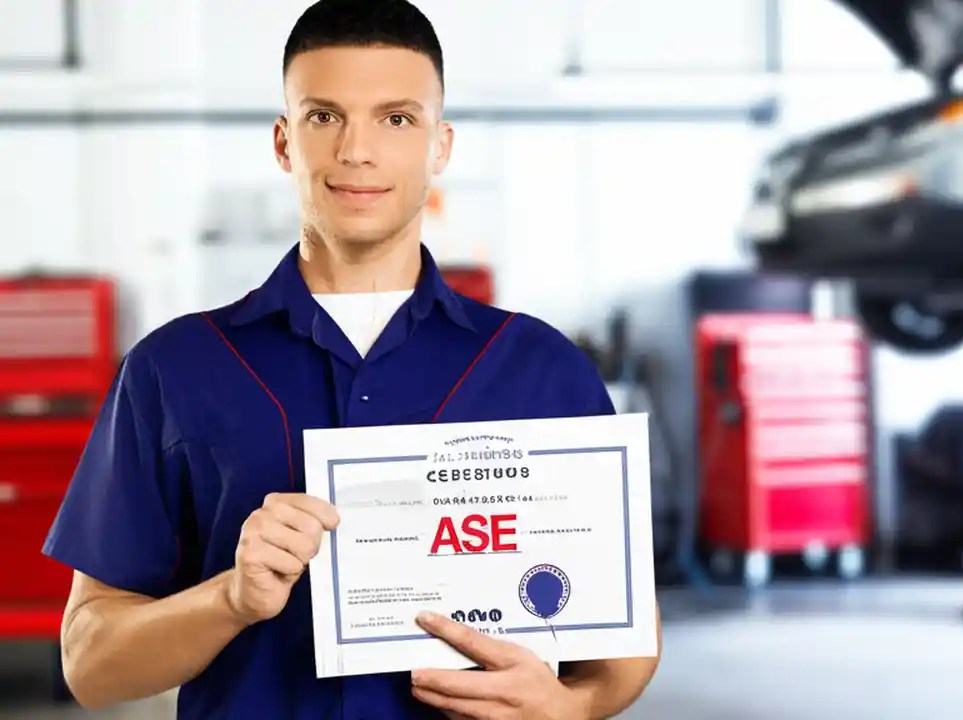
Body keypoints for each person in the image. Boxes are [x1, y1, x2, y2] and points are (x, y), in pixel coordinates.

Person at [42, 1, 662, 717]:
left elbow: (626, 644)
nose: (357, 150)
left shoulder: (543, 369)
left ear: (441, 145)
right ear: (283, 142)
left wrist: (575, 706)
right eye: (324, 116)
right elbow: (90, 664)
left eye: (396, 119)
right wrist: (230, 598)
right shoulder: (173, 369)